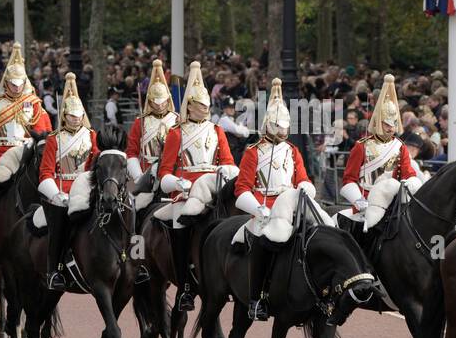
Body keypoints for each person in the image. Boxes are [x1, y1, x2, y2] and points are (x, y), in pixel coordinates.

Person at [232, 78, 317, 321]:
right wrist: (258, 209)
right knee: (262, 242)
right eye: (279, 126)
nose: (284, 131)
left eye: (286, 126)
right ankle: (255, 298)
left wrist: (305, 188)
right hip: (265, 207)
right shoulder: (253, 152)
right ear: (269, 125)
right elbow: (242, 188)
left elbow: (302, 177)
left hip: (291, 205)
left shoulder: (292, 150)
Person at [155, 61, 236, 310]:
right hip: (185, 191)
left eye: (207, 105)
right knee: (181, 225)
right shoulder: (176, 133)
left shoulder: (216, 130)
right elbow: (164, 171)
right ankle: (185, 287)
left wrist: (225, 171)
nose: (205, 109)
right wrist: (177, 183)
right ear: (189, 106)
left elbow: (228, 161)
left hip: (214, 187)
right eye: (201, 105)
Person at [0, 44, 51, 258]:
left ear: (25, 83)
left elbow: (44, 133)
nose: (16, 88)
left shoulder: (35, 105)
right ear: (6, 82)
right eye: (12, 84)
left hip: (25, 155)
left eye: (19, 84)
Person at [338, 73, 421, 236]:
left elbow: (408, 173)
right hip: (366, 201)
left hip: (393, 202)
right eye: (387, 124)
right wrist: (358, 200)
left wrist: (411, 185)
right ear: (378, 122)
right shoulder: (361, 146)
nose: (391, 128)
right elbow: (349, 179)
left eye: (394, 124)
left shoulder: (400, 146)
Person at [39, 73, 99, 290]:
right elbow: (45, 172)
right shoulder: (54, 139)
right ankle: (54, 270)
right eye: (72, 116)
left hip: (85, 188)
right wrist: (56, 194)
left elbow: (96, 164)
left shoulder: (91, 136)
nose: (75, 119)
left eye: (79, 115)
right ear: (64, 115)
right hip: (62, 191)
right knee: (58, 225)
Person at [125, 58, 177, 186]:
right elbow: (132, 151)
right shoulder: (140, 122)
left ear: (168, 100)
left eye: (162, 102)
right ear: (149, 101)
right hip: (146, 171)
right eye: (155, 102)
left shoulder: (177, 119)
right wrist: (138, 176)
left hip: (172, 170)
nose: (159, 106)